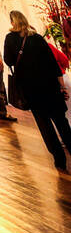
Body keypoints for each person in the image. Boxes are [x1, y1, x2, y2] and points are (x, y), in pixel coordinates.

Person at [4, 10, 71, 174]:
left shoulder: (10, 39)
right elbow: (53, 64)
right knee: (62, 123)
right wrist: (62, 86)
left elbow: (9, 60)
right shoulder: (38, 38)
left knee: (45, 127)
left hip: (31, 91)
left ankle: (59, 160)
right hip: (50, 88)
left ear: (13, 22)